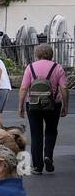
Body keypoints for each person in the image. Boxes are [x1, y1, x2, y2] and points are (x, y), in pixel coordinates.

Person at [18, 43, 68, 174]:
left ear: (37, 54)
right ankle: (48, 156)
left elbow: (23, 88)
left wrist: (21, 106)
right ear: (51, 54)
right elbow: (63, 88)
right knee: (51, 131)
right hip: (53, 105)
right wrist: (65, 106)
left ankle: (37, 166)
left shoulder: (30, 67)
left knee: (36, 134)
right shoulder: (58, 68)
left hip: (33, 105)